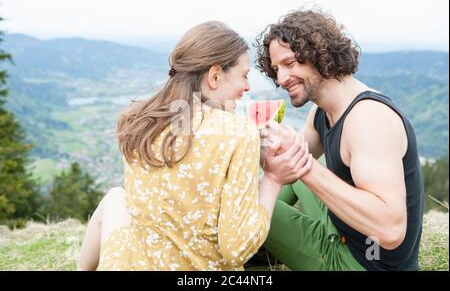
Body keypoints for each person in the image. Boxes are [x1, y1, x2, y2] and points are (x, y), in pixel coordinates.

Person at [77, 21, 311, 271]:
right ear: (215, 76)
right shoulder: (239, 132)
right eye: (243, 76)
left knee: (115, 197)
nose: (247, 86)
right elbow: (236, 250)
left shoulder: (138, 121)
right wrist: (273, 179)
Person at [255, 8, 424, 271]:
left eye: (290, 64)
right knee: (291, 163)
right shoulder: (324, 108)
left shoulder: (368, 120)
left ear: (319, 54)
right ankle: (261, 237)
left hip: (360, 263)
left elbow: (390, 230)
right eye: (276, 69)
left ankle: (250, 235)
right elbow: (281, 162)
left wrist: (302, 165)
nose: (281, 79)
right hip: (345, 228)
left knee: (239, 204)